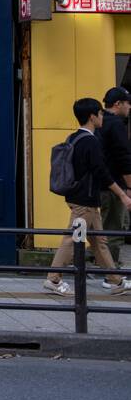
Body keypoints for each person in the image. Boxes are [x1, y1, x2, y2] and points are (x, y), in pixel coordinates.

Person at [46, 98, 131, 296]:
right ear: (92, 117)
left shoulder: (74, 138)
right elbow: (101, 172)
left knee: (99, 241)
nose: (102, 117)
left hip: (80, 197)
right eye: (100, 114)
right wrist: (123, 195)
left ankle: (115, 281)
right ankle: (53, 279)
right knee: (71, 239)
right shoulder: (90, 141)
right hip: (85, 201)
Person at [98, 86, 131, 263]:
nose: (130, 107)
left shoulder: (99, 121)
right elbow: (124, 158)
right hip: (114, 186)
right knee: (114, 230)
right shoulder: (117, 124)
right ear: (118, 104)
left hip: (99, 184)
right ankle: (111, 274)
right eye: (128, 103)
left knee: (99, 230)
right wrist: (129, 187)